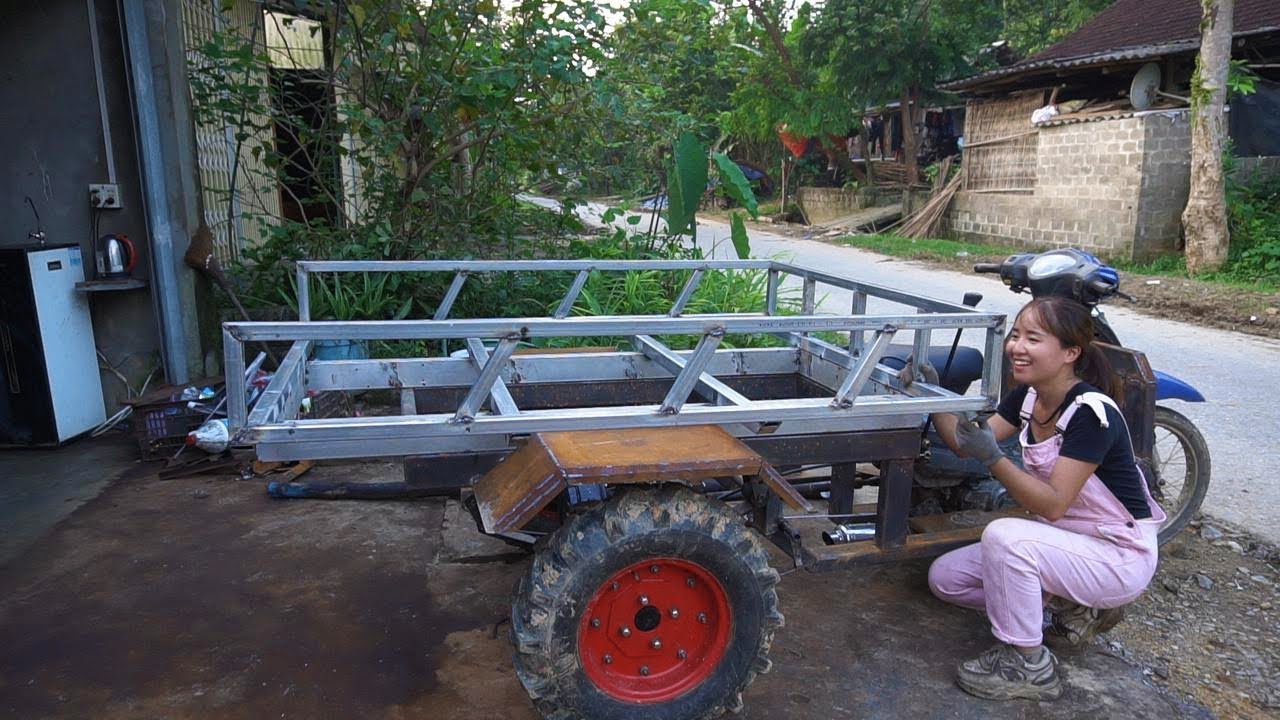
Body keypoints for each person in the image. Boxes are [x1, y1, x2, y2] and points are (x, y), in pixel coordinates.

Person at [909, 296, 1166, 701]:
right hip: (1065, 542)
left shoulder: (1090, 413)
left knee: (1006, 537)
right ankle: (1064, 605)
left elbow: (1051, 504)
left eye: (1033, 338)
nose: (1017, 346)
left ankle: (1029, 663)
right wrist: (937, 395)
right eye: (1015, 336)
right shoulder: (1029, 397)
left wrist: (993, 457)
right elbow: (964, 443)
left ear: (1070, 353)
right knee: (946, 580)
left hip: (1116, 554)